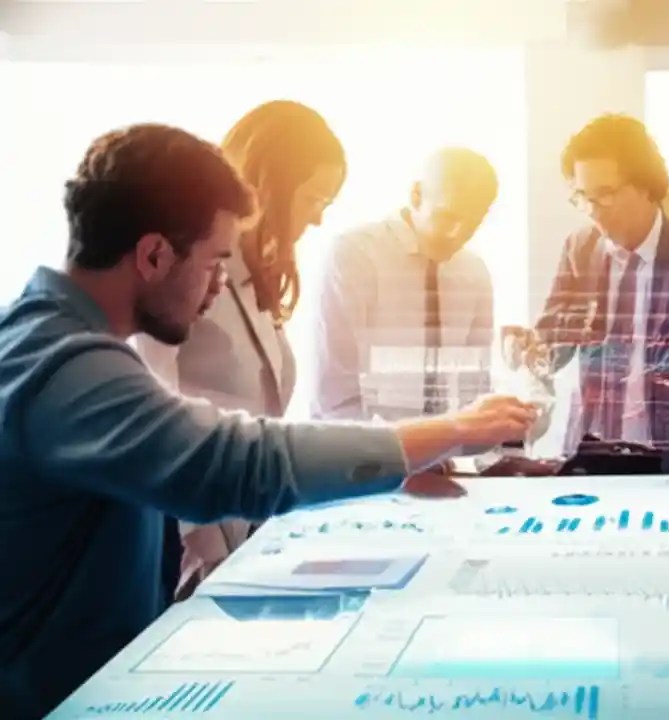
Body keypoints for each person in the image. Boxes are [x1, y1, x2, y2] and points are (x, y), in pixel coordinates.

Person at [0, 123, 535, 719]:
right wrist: (455, 429)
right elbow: (235, 462)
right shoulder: (62, 368)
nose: (220, 286)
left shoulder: (45, 338)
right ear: (153, 255)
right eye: (214, 263)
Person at [135, 100, 347, 601]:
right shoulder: (185, 273)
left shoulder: (256, 279)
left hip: (237, 523)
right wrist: (202, 547)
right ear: (271, 184)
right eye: (315, 197)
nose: (317, 220)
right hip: (182, 534)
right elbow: (155, 413)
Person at [506, 114, 669, 471]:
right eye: (582, 197)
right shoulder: (579, 247)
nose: (593, 211)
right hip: (591, 450)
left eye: (606, 195)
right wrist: (530, 347)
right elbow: (555, 345)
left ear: (646, 186)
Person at [308, 147, 497, 424]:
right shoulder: (354, 255)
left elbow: (474, 387)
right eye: (447, 218)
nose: (457, 235)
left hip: (440, 458)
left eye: (472, 224)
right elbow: (335, 391)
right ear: (416, 195)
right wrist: (388, 456)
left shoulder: (474, 272)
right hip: (355, 454)